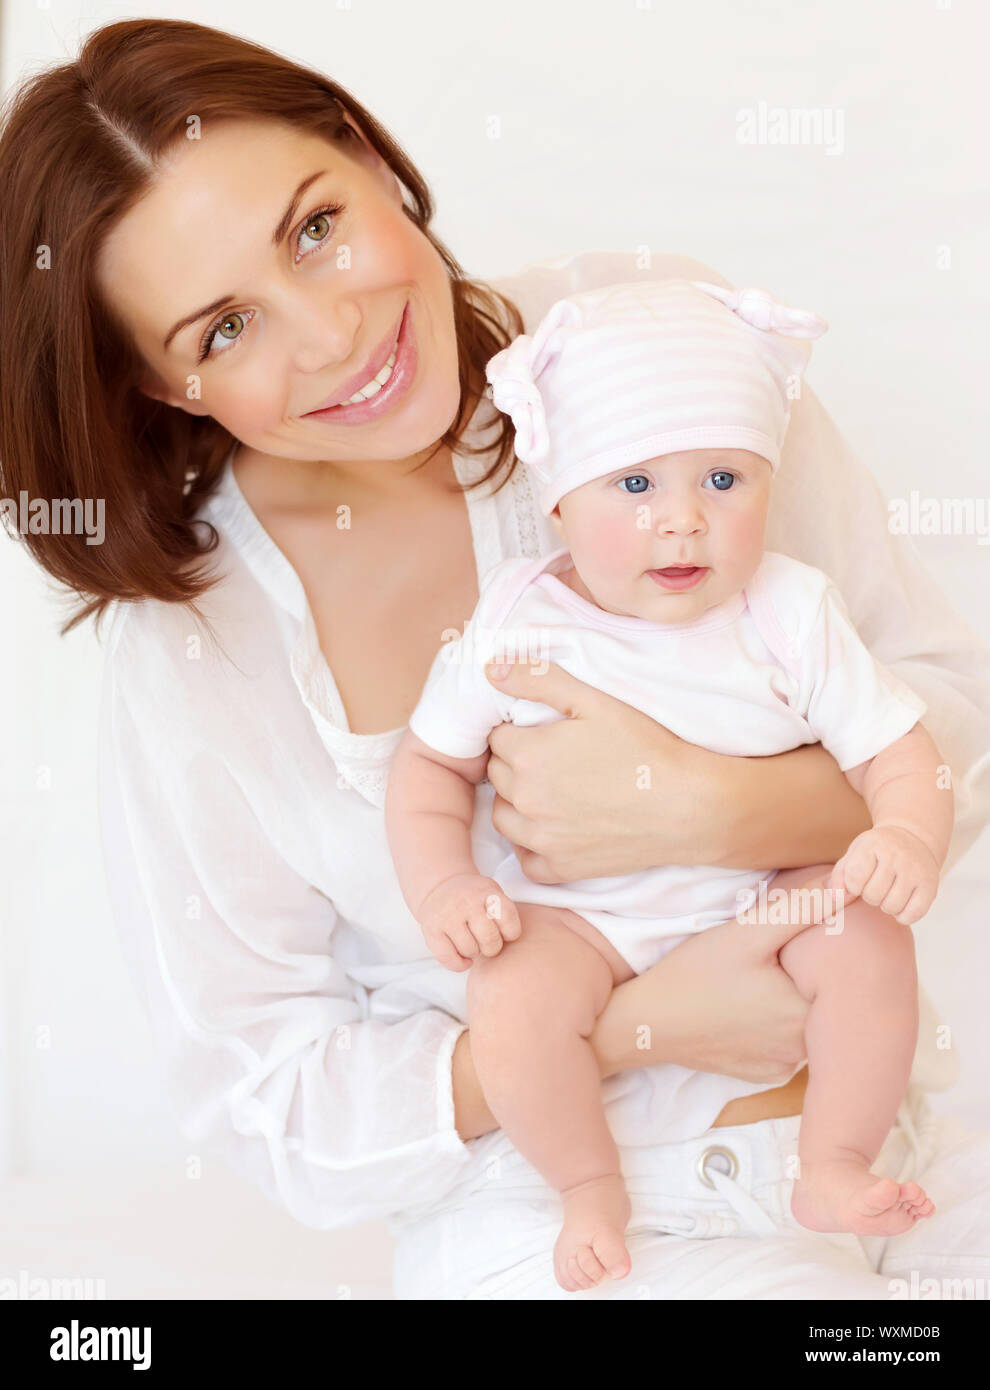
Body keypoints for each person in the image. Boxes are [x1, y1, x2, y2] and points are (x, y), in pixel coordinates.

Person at [1, 18, 987, 1301]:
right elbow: (267, 1091)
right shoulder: (198, 646)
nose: (332, 334)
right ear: (164, 387)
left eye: (315, 227)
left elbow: (952, 714)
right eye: (225, 328)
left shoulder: (642, 350)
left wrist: (711, 806)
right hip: (558, 1222)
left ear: (366, 154)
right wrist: (622, 1030)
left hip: (890, 1147)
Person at [385, 278, 951, 1292]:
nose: (683, 521)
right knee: (511, 996)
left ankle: (832, 1161)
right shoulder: (519, 623)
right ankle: (587, 1184)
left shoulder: (790, 613)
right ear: (560, 502)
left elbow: (900, 748)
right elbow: (429, 767)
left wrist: (906, 833)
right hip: (585, 923)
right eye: (636, 485)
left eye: (724, 479)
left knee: (866, 936)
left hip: (765, 902)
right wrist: (445, 887)